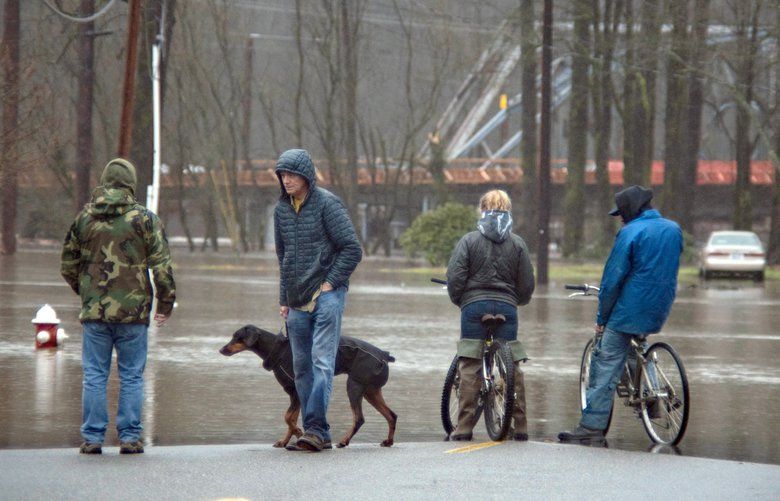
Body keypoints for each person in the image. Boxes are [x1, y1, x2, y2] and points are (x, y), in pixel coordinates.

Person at [61, 158, 176, 455]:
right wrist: (166, 303)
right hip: (134, 313)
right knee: (132, 376)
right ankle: (129, 437)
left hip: (95, 313)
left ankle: (92, 438)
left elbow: (68, 264)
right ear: (131, 184)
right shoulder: (146, 219)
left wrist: (85, 293)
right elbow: (162, 266)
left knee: (95, 375)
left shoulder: (84, 218)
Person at [558, 185, 683, 443]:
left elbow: (613, 279)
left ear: (631, 210)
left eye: (622, 213)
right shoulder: (673, 229)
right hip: (660, 305)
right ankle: (655, 399)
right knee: (638, 346)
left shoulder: (630, 233)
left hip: (629, 309)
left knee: (605, 362)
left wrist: (601, 319)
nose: (621, 218)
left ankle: (591, 427)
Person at [274, 149, 362, 452]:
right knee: (301, 367)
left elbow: (352, 249)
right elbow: (283, 256)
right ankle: (321, 432)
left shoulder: (328, 204)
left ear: (306, 176)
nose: (286, 180)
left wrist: (329, 283)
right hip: (296, 300)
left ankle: (312, 429)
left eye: (291, 174)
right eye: (282, 175)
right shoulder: (281, 210)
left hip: (327, 296)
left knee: (322, 361)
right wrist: (284, 297)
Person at [446, 189, 535, 441]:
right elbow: (527, 284)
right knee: (512, 365)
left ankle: (463, 427)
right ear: (508, 210)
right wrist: (516, 302)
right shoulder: (518, 243)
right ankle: (521, 424)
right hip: (507, 307)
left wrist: (461, 301)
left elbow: (456, 278)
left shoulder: (469, 241)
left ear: (482, 209)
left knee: (470, 364)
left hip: (474, 306)